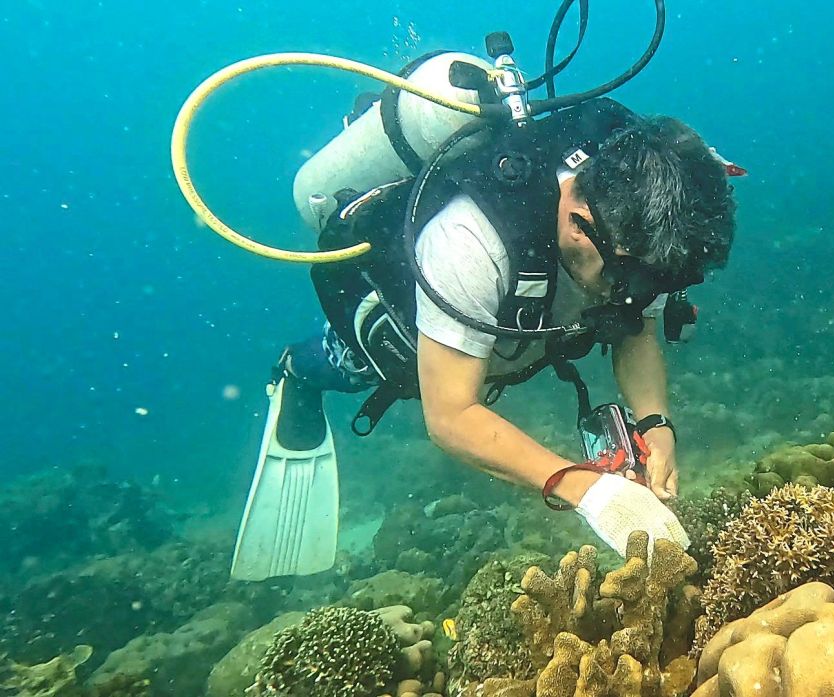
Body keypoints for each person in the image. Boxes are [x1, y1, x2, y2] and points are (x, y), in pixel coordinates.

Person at [229, 85, 737, 581]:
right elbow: (450, 416)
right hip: (419, 328)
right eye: (625, 280)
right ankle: (297, 369)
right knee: (364, 364)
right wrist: (586, 490)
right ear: (580, 224)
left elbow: (635, 329)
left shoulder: (638, 232)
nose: (631, 296)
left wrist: (655, 425)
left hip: (525, 326)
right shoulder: (469, 242)